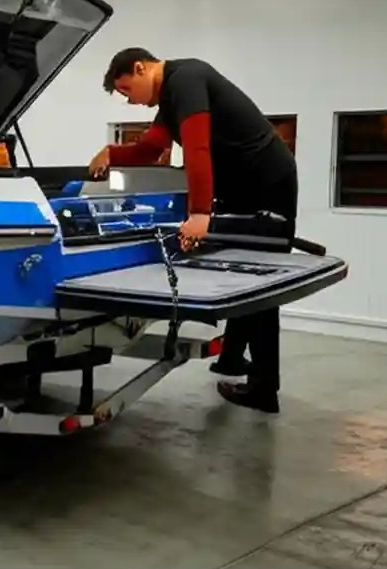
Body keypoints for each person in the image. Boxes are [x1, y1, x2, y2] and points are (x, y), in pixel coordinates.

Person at [89, 48, 297, 414]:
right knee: (241, 278)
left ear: (141, 68)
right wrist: (111, 152)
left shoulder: (186, 80)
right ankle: (232, 359)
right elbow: (152, 147)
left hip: (266, 182)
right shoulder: (171, 98)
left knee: (261, 283)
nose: (130, 101)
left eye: (126, 90)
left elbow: (198, 149)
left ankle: (265, 389)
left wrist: (200, 213)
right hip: (244, 185)